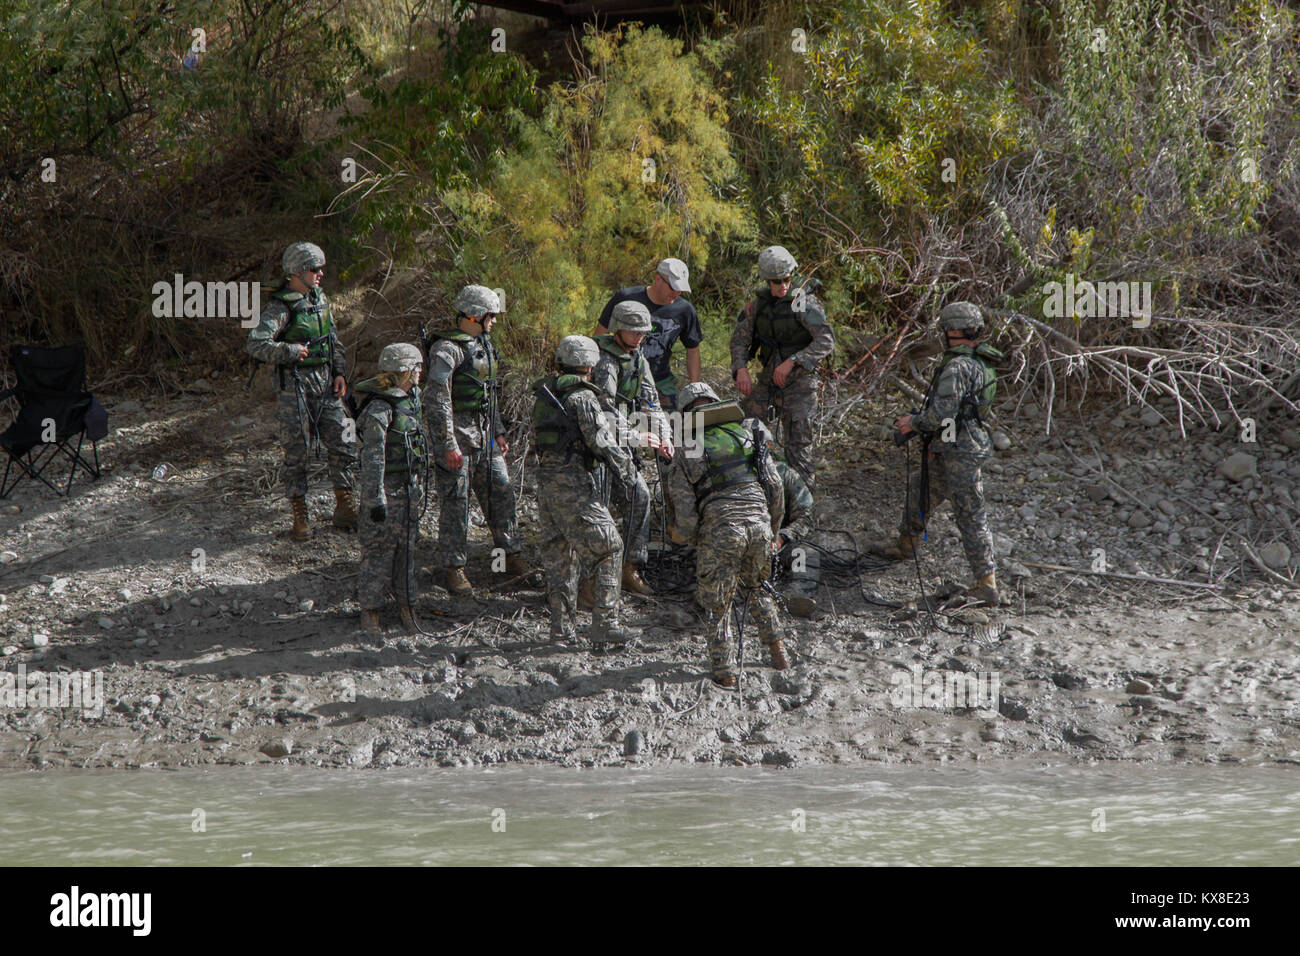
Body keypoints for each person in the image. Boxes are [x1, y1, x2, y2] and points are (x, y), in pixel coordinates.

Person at [868, 301, 1003, 607]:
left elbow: (943, 415)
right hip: (956, 446)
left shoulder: (956, 366)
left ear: (952, 330)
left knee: (970, 516)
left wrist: (912, 423)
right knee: (920, 490)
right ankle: (907, 543)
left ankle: (986, 584)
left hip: (961, 451)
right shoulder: (979, 362)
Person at [667, 382, 790, 689]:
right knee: (757, 588)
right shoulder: (747, 434)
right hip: (759, 525)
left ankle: (725, 671)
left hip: (721, 530)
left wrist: (686, 537)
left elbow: (684, 514)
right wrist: (772, 529)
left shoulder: (687, 448)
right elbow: (775, 487)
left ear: (686, 413)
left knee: (716, 603)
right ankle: (778, 653)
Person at [532, 336, 640, 648]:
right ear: (590, 366)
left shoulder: (546, 394)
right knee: (610, 547)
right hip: (572, 485)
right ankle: (606, 623)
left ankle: (561, 632)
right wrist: (629, 475)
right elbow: (602, 442)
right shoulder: (582, 397)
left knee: (562, 559)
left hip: (546, 484)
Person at [246, 241, 358, 541]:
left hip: (325, 383)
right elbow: (257, 343)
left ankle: (345, 506)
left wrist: (339, 373)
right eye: (315, 269)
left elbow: (333, 339)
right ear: (298, 271)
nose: (321, 274)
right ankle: (300, 513)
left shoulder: (320, 299)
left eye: (321, 269)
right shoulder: (280, 306)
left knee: (342, 442)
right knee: (297, 452)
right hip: (294, 385)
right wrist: (290, 351)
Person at [423, 285, 528, 595]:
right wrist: (447, 443)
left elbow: (490, 393)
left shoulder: (484, 344)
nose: (494, 321)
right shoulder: (447, 349)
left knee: (501, 494)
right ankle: (453, 568)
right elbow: (438, 399)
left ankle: (508, 556)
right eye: (490, 316)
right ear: (474, 315)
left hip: (486, 437)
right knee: (457, 502)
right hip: (458, 437)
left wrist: (498, 431)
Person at [729, 245, 835, 493]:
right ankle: (747, 490)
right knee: (744, 429)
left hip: (800, 380)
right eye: (776, 282)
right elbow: (740, 340)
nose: (782, 286)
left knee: (798, 444)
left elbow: (826, 341)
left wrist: (794, 361)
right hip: (769, 379)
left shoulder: (803, 302)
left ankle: (802, 507)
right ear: (767, 280)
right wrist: (740, 369)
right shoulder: (759, 305)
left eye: (786, 279)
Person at [589, 300, 674, 596]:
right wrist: (636, 437)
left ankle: (629, 567)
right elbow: (603, 409)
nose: (639, 338)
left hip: (623, 444)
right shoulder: (605, 361)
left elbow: (651, 402)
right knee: (597, 507)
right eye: (633, 332)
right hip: (598, 446)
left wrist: (663, 436)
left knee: (640, 496)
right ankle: (592, 577)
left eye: (642, 333)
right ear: (618, 330)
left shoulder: (638, 359)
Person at [354, 344, 428, 642]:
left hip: (410, 487)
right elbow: (373, 457)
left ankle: (407, 606)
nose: (421, 372)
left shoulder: (412, 399)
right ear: (403, 370)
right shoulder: (379, 408)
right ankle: (370, 610)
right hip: (386, 489)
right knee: (378, 552)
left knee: (407, 551)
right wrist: (375, 498)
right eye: (417, 367)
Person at [593, 257, 702, 411]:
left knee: (668, 425)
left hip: (661, 381)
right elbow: (599, 337)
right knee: (614, 419)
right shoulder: (626, 298)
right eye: (673, 288)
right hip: (621, 375)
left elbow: (693, 349)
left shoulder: (685, 310)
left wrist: (694, 388)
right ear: (658, 279)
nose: (676, 293)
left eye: (680, 290)